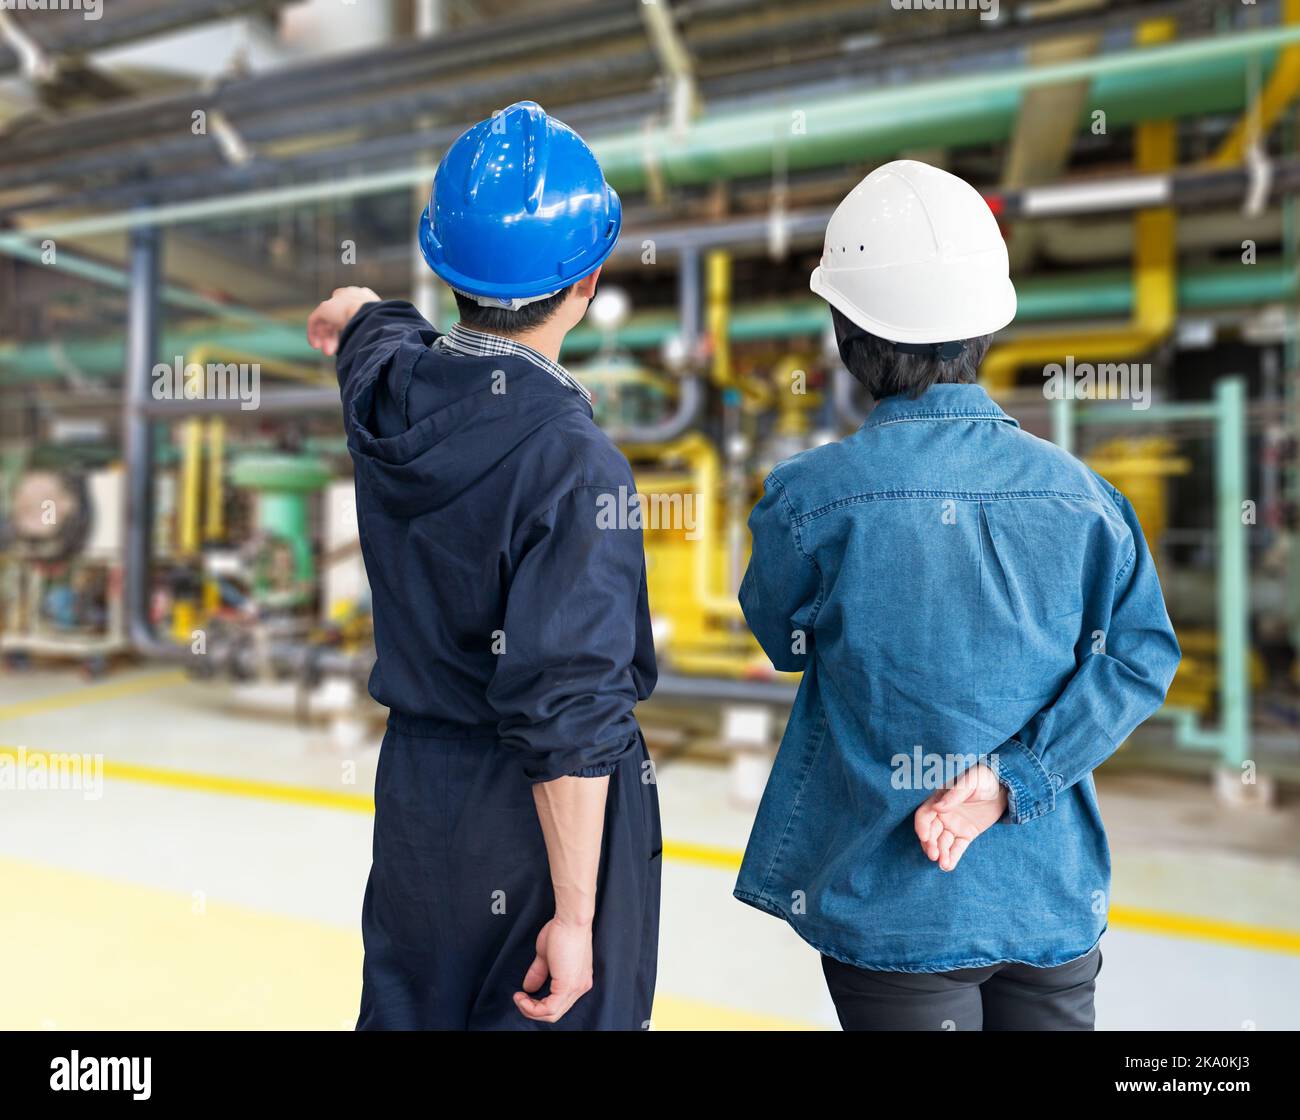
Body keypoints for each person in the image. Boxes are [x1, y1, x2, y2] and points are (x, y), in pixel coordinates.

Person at [734, 159, 1180, 1031]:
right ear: (986, 324)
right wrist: (1016, 777)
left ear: (847, 333)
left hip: (893, 901)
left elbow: (781, 638)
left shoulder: (810, 499)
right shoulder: (1086, 498)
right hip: (1045, 893)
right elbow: (1142, 655)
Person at [306, 101, 660, 1031]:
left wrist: (349, 311)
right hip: (530, 815)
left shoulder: (385, 388)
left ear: (444, 267)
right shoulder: (576, 464)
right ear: (585, 281)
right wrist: (576, 916)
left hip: (419, 801)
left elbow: (370, 326)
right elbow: (568, 706)